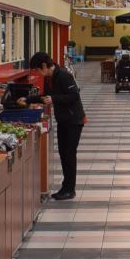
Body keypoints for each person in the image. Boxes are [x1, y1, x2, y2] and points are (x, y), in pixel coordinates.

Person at [20, 52, 86, 200]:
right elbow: (46, 97)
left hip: (73, 120)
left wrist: (54, 99)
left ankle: (70, 189)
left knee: (69, 154)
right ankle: (66, 186)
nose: (37, 73)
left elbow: (74, 95)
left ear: (44, 65)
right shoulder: (49, 78)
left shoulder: (63, 75)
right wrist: (28, 99)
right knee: (63, 154)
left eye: (37, 70)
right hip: (63, 120)